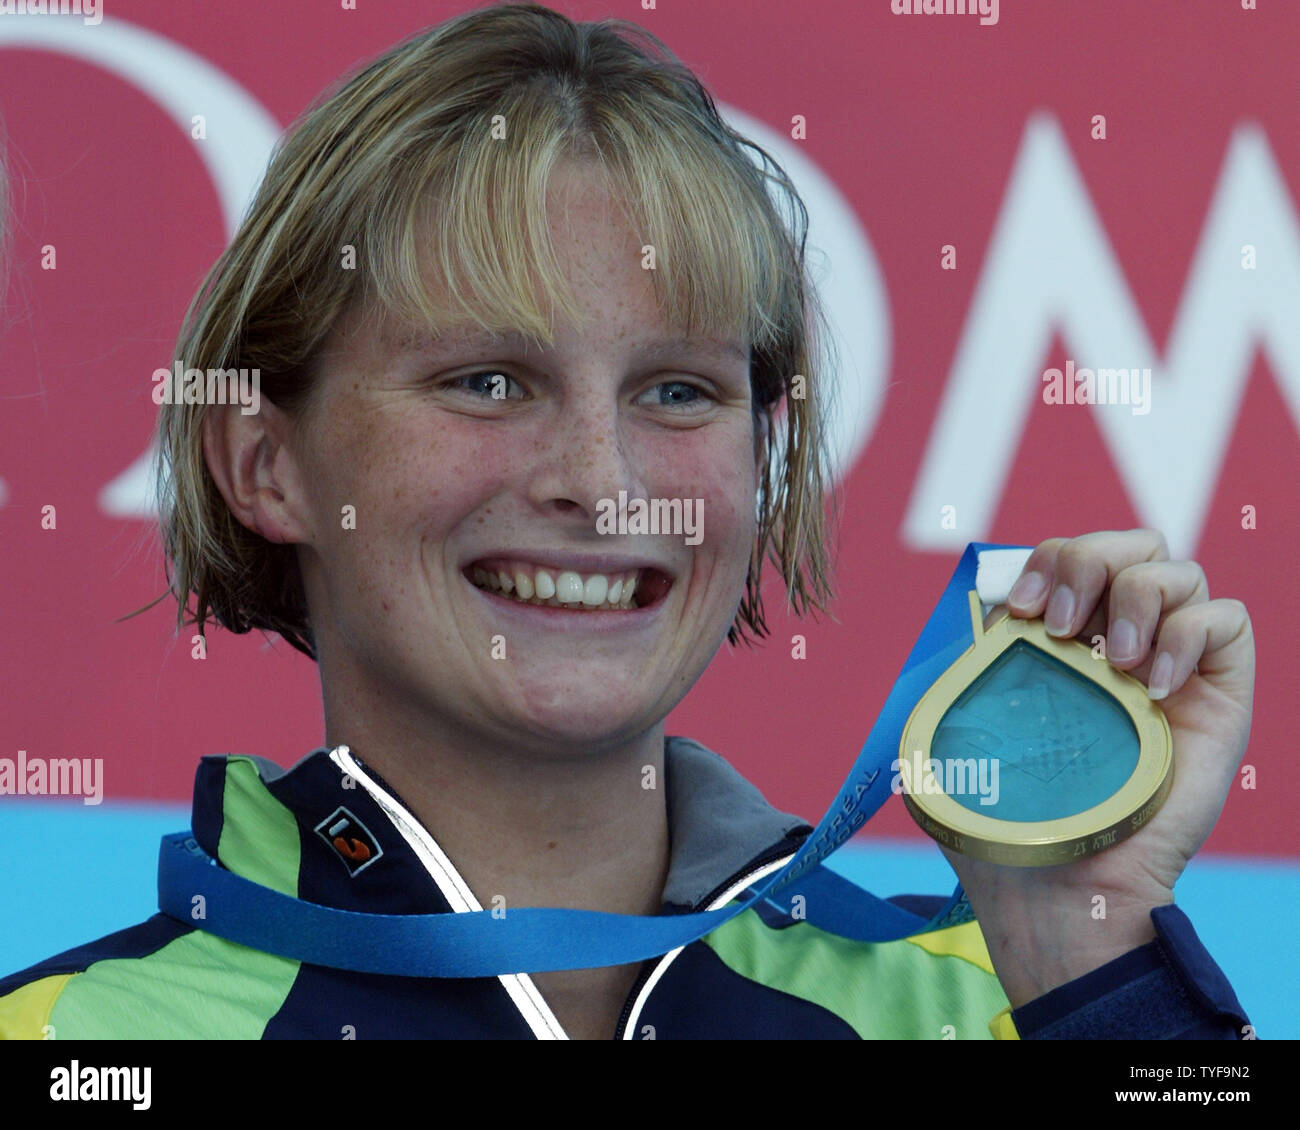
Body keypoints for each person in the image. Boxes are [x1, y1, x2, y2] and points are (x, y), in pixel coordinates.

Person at [0, 1, 1254, 1040]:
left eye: (676, 391)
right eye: (487, 380)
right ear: (265, 465)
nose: (602, 481)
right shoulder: (72, 1040)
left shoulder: (1012, 1006)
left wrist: (1085, 955)